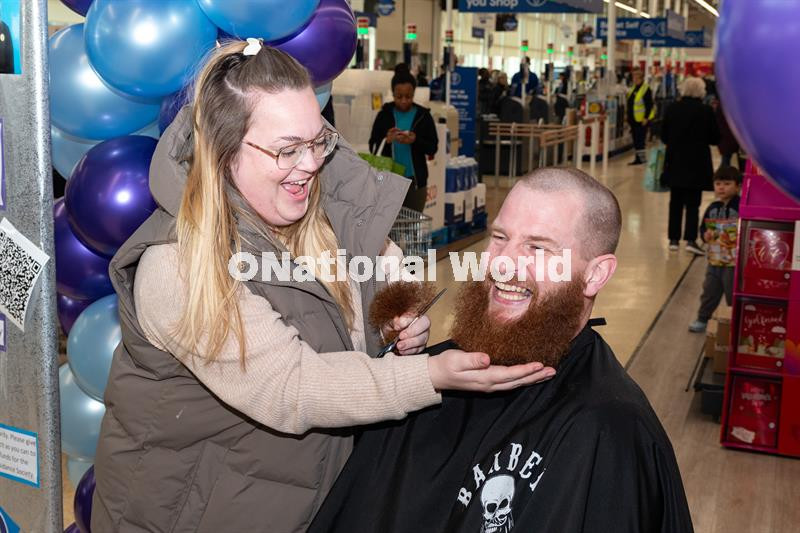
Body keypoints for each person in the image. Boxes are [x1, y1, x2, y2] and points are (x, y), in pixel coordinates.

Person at [91, 42, 551, 533]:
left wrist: (399, 315)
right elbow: (292, 387)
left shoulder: (310, 214)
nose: (311, 164)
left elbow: (390, 269)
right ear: (222, 153)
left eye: (318, 142)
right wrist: (429, 376)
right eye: (288, 149)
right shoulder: (178, 266)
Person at [310, 168, 693, 533]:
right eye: (499, 237)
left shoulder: (610, 429)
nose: (504, 263)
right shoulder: (435, 370)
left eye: (537, 247)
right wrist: (397, 368)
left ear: (596, 274)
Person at [661, 76, 720, 254]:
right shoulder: (706, 111)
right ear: (701, 91)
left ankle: (673, 239)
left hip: (675, 161)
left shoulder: (672, 109)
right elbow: (714, 138)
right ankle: (690, 240)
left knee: (675, 202)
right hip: (697, 163)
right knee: (693, 203)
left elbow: (664, 137)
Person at [369, 70, 439, 212]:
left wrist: (415, 140)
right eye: (399, 96)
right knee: (388, 229)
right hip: (388, 181)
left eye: (408, 96)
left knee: (411, 227)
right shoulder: (384, 115)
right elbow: (373, 146)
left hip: (415, 182)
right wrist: (386, 139)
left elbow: (432, 147)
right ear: (393, 94)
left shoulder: (423, 116)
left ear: (414, 94)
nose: (403, 100)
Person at [689, 166, 741, 333]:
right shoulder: (712, 207)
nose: (721, 187)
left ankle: (734, 321)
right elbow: (703, 228)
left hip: (733, 262)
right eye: (718, 183)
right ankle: (703, 318)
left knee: (731, 291)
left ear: (738, 186)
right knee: (710, 290)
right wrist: (705, 236)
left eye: (727, 183)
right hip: (714, 259)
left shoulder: (741, 206)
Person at [626, 68, 655, 165]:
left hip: (641, 120)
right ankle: (638, 158)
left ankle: (642, 159)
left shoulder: (645, 89)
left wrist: (646, 117)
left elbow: (649, 104)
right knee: (636, 139)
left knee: (640, 139)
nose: (633, 79)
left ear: (641, 78)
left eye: (635, 77)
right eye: (633, 77)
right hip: (633, 119)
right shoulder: (633, 88)